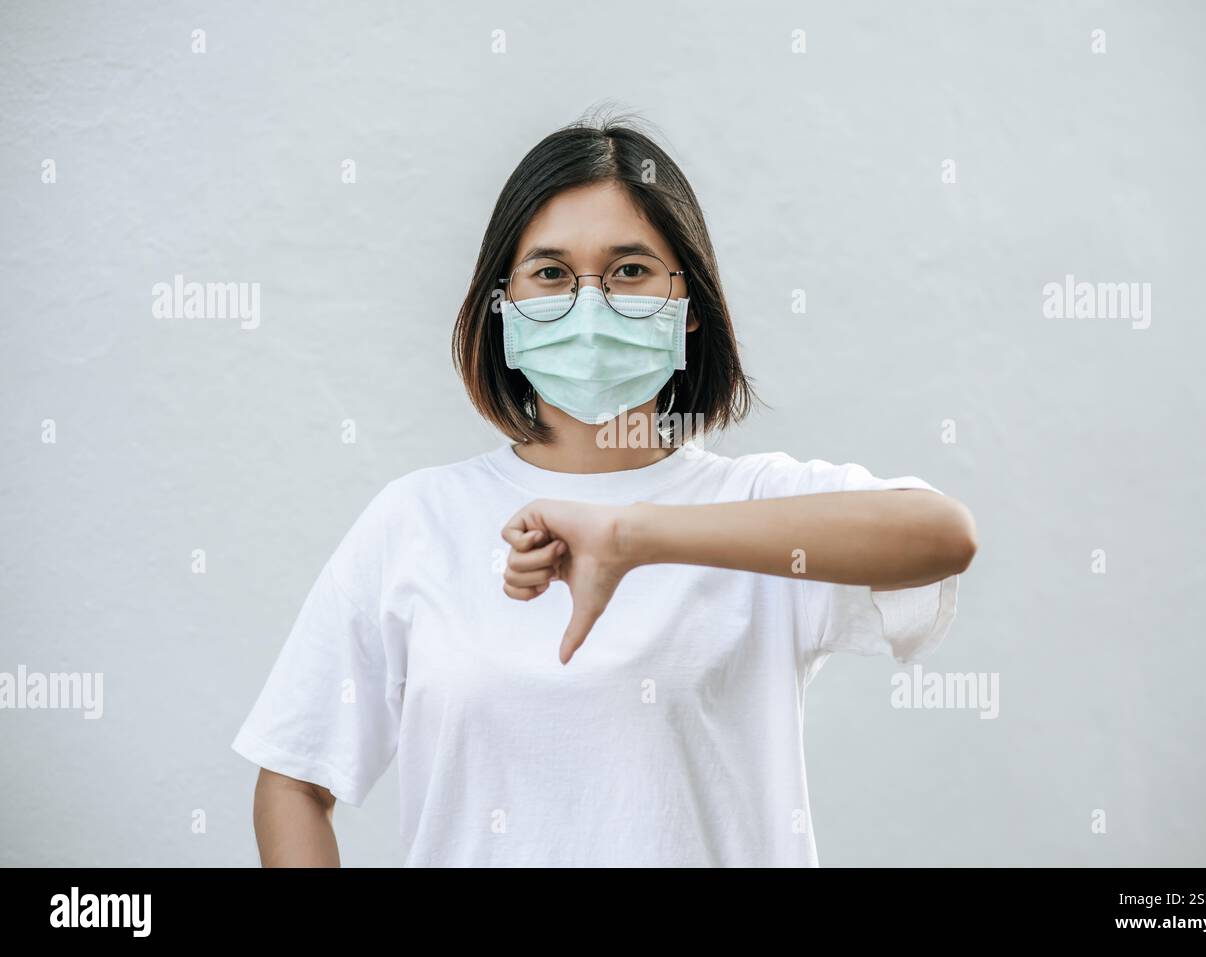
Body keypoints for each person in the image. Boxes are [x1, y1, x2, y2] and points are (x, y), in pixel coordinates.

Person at [231, 113, 977, 867]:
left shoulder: (756, 505)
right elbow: (292, 780)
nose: (592, 306)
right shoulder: (415, 520)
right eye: (551, 273)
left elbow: (943, 536)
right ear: (503, 307)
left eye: (629, 271)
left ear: (688, 309)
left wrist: (634, 536)